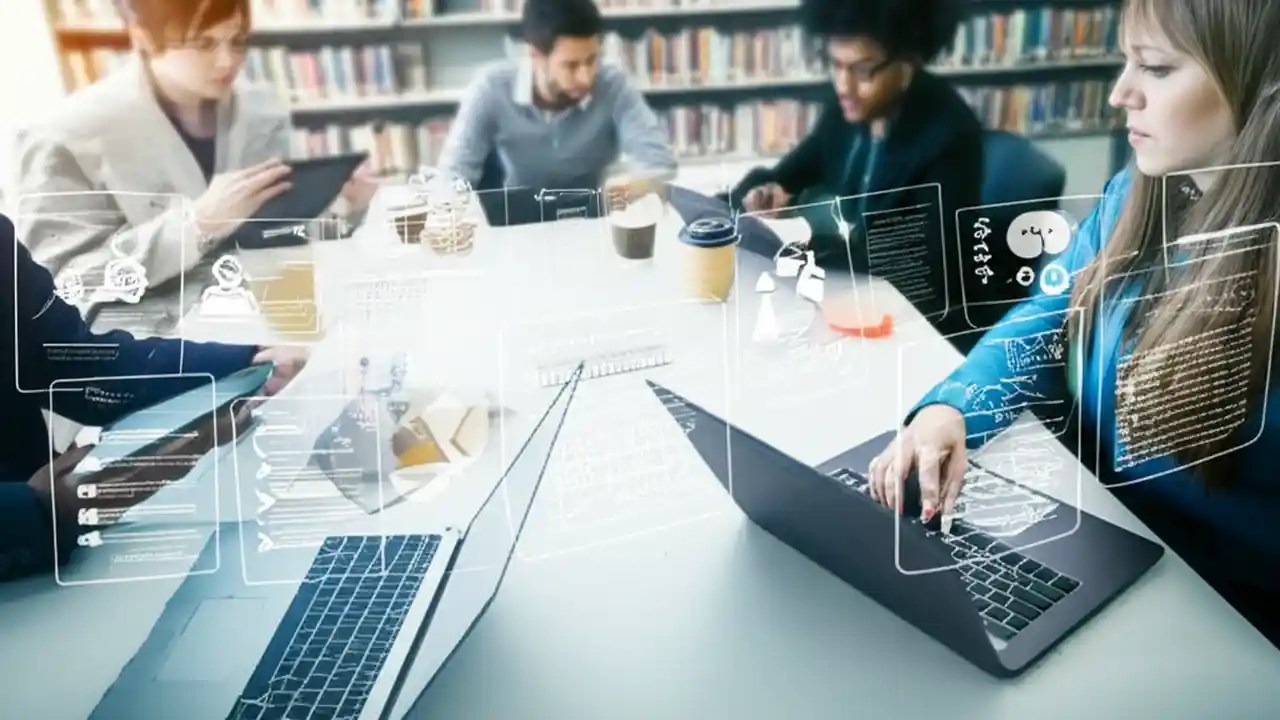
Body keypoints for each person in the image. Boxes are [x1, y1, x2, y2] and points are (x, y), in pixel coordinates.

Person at [868, 0, 1280, 647]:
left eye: (1157, 68)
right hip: (1096, 550)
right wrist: (950, 411)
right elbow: (1044, 319)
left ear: (1264, 85)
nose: (1121, 94)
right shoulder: (1136, 193)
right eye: (1126, 62)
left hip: (1216, 624)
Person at [7, 0, 377, 329]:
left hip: (274, 315)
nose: (228, 61)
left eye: (237, 40)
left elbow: (270, 233)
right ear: (143, 36)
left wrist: (340, 206)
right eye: (203, 43)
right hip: (159, 348)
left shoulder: (260, 107)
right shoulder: (61, 136)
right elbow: (63, 285)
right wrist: (196, 225)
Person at [1, 213, 308, 581]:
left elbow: (71, 365)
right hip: (37, 533)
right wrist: (51, 508)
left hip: (58, 552)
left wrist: (244, 360)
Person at [728, 0, 984, 343]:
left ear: (909, 61)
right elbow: (786, 174)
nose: (843, 86)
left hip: (915, 327)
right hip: (841, 298)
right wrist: (760, 194)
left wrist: (805, 246)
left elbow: (923, 270)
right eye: (836, 65)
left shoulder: (950, 134)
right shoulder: (846, 110)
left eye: (863, 71)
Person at [437, 0, 677, 204]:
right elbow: (453, 175)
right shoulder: (490, 88)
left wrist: (627, 188)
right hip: (518, 223)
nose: (586, 76)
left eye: (592, 59)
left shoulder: (613, 84)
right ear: (536, 56)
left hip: (592, 219)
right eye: (571, 65)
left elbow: (660, 164)